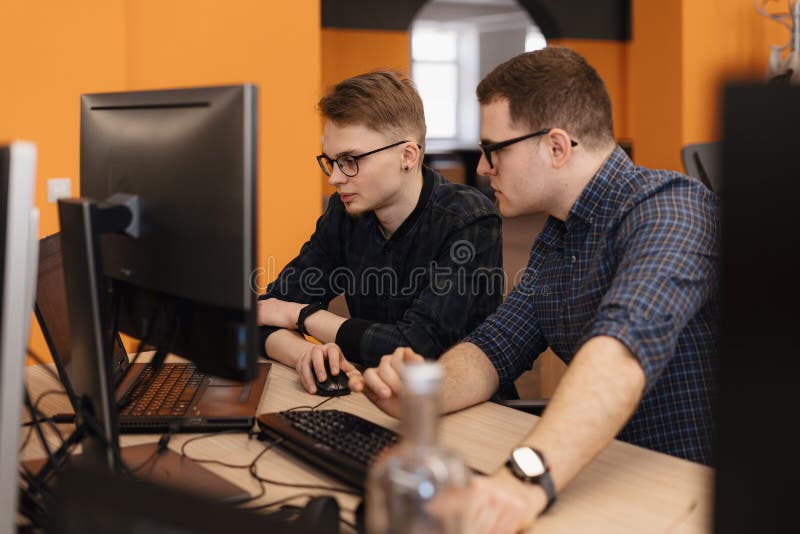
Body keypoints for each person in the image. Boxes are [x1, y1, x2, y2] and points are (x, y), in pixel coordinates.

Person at [351, 47, 719, 531]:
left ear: (557, 147)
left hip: (688, 493)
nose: (483, 167)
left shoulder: (671, 210)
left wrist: (524, 480)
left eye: (494, 149)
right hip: (606, 477)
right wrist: (423, 395)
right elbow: (493, 348)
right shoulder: (559, 237)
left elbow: (622, 352)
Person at [257, 70, 504, 394]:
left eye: (350, 160)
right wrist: (309, 354)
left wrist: (301, 316)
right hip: (373, 394)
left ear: (407, 155)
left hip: (463, 410)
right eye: (331, 161)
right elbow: (266, 311)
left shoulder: (469, 219)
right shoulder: (345, 214)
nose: (334, 178)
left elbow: (416, 349)